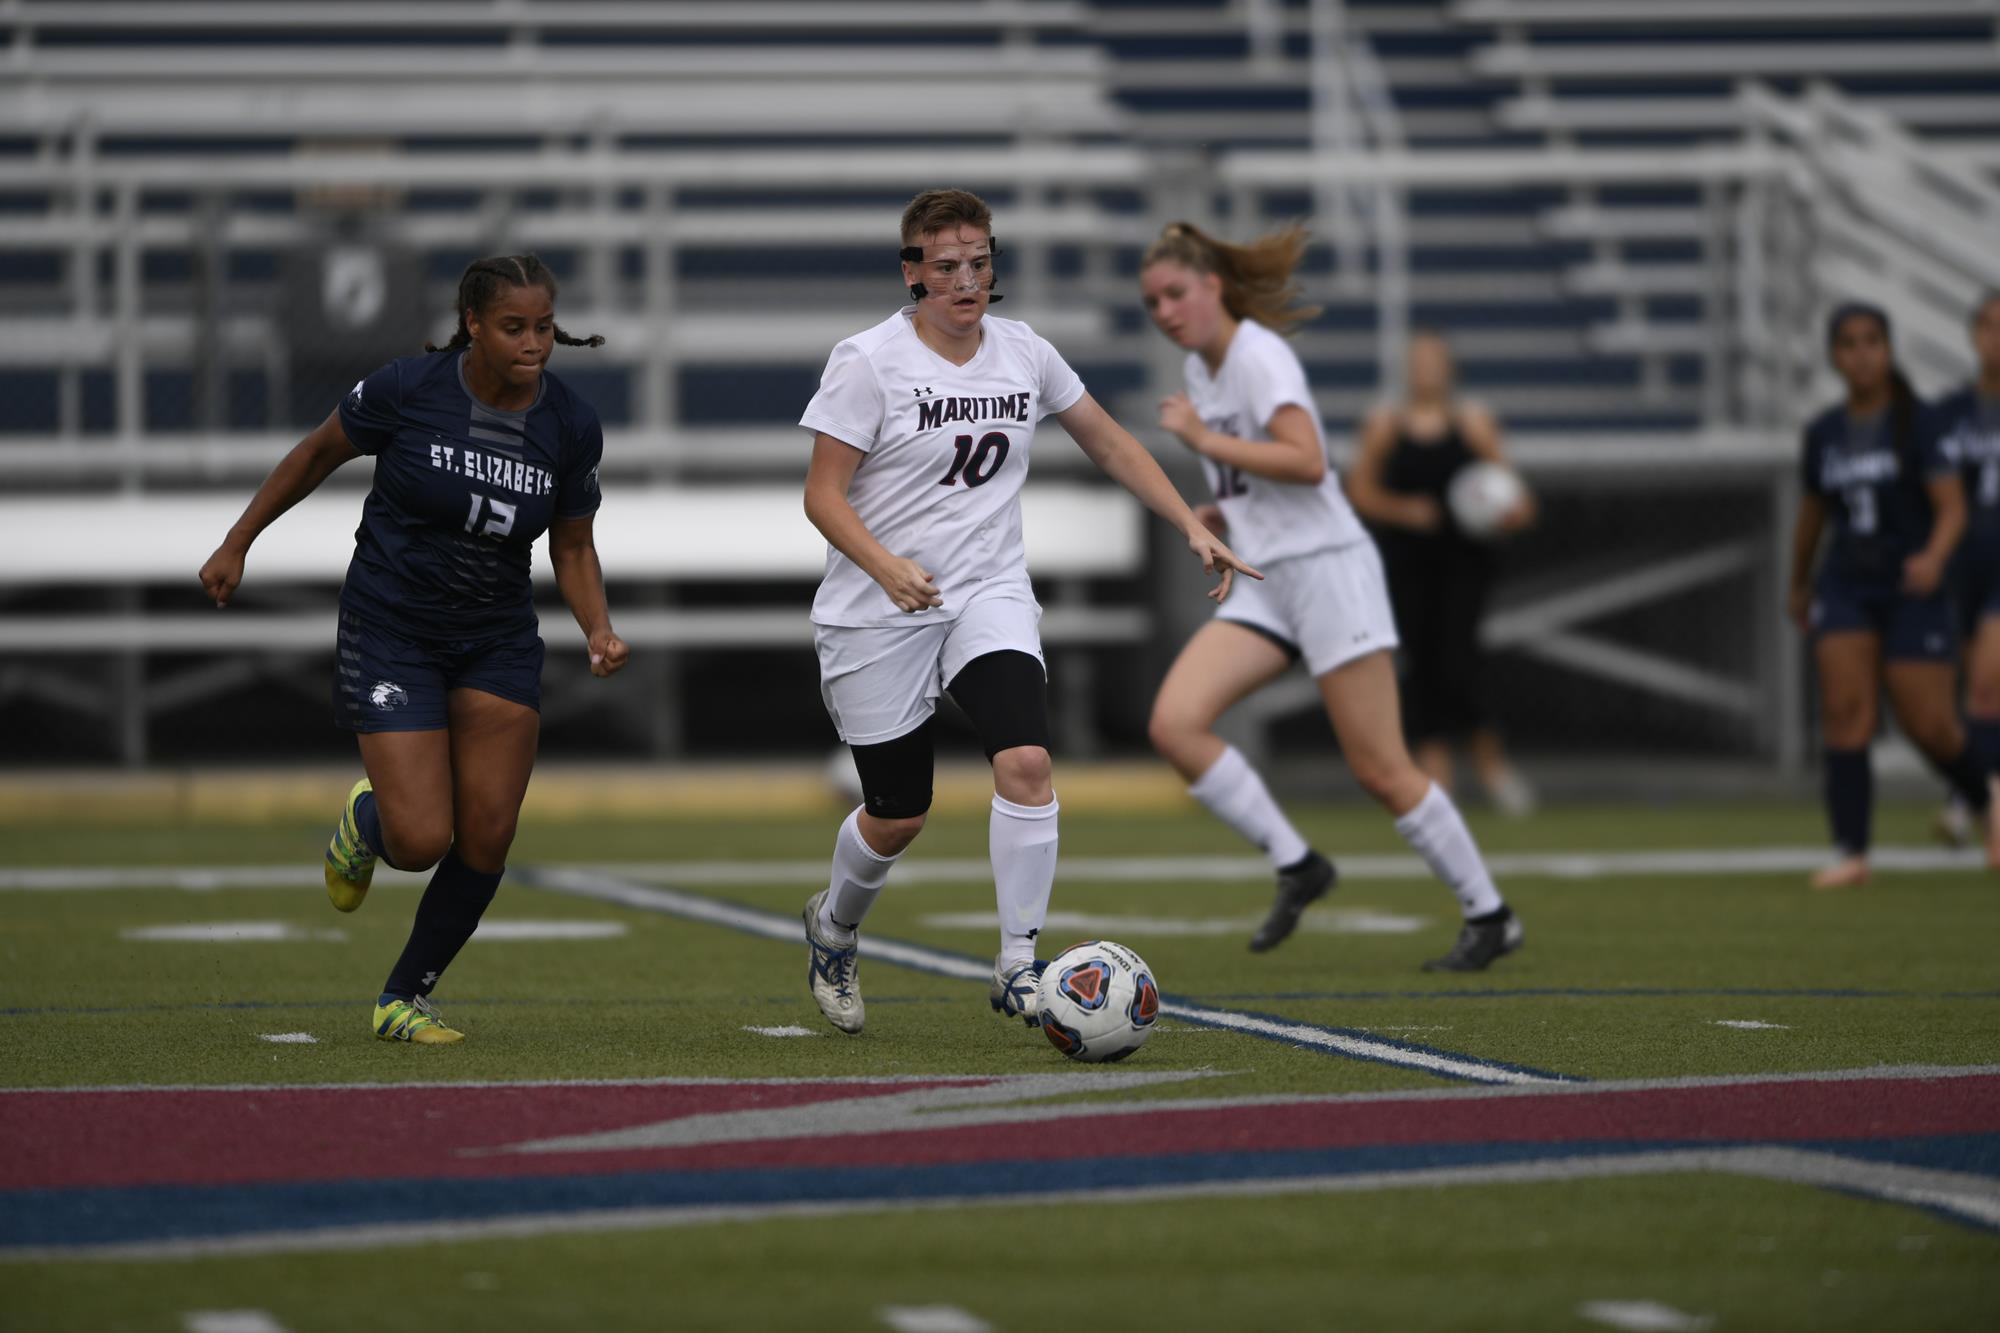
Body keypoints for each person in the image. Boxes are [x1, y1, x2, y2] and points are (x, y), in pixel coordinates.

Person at [797, 189, 1259, 1036]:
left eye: (979, 262)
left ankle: (1018, 962)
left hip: (987, 589)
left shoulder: (1025, 351)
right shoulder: (867, 361)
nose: (966, 280)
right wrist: (886, 567)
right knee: (898, 812)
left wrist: (1190, 524)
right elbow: (822, 495)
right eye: (946, 265)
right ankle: (833, 924)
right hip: (877, 606)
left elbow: (1109, 440)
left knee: (1027, 761)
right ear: (911, 273)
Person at [198, 253, 628, 1042]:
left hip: (496, 638)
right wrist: (238, 541)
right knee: (422, 839)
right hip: (393, 626)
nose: (534, 343)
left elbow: (572, 545)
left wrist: (596, 628)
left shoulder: (570, 423)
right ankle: (368, 820)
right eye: (513, 327)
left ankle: (403, 996)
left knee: (489, 834)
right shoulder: (408, 389)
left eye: (543, 326)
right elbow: (315, 454)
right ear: (472, 324)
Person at [1139, 221, 1523, 972]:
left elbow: (1309, 462)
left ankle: (1491, 914)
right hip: (1267, 576)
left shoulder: (1258, 354)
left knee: (1380, 768)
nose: (1165, 312)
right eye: (1153, 302)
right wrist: (1229, 508)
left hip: (1326, 571)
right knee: (1174, 725)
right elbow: (1263, 472)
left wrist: (1205, 443)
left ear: (1214, 285)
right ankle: (1299, 863)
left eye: (1176, 293)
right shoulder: (1199, 370)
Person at [1786, 302, 1983, 889]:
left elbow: (1952, 507)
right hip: (1846, 581)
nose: (1861, 355)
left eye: (1871, 341)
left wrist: (1934, 557)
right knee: (1845, 714)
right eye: (1848, 344)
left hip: (1908, 585)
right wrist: (1798, 581)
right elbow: (1812, 517)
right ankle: (1851, 849)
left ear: (1888, 349)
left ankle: (1985, 795)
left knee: (1930, 723)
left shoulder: (1920, 422)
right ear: (1833, 356)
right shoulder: (1823, 432)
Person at [1347, 331, 1538, 815]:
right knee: (1420, 667)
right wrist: (1405, 511)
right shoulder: (1385, 424)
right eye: (1419, 362)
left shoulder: (1473, 422)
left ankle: (1494, 770)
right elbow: (1360, 492)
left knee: (1460, 664)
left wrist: (1508, 513)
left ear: (1450, 369)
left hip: (1462, 563)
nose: (1427, 371)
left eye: (1435, 361)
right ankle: (1437, 780)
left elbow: (1514, 494)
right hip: (1407, 564)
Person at [1937, 291, 2000, 864]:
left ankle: (1981, 803)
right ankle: (1968, 791)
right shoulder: (1952, 412)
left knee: (1987, 684)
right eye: (1989, 327)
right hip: (1960, 563)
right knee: (1952, 690)